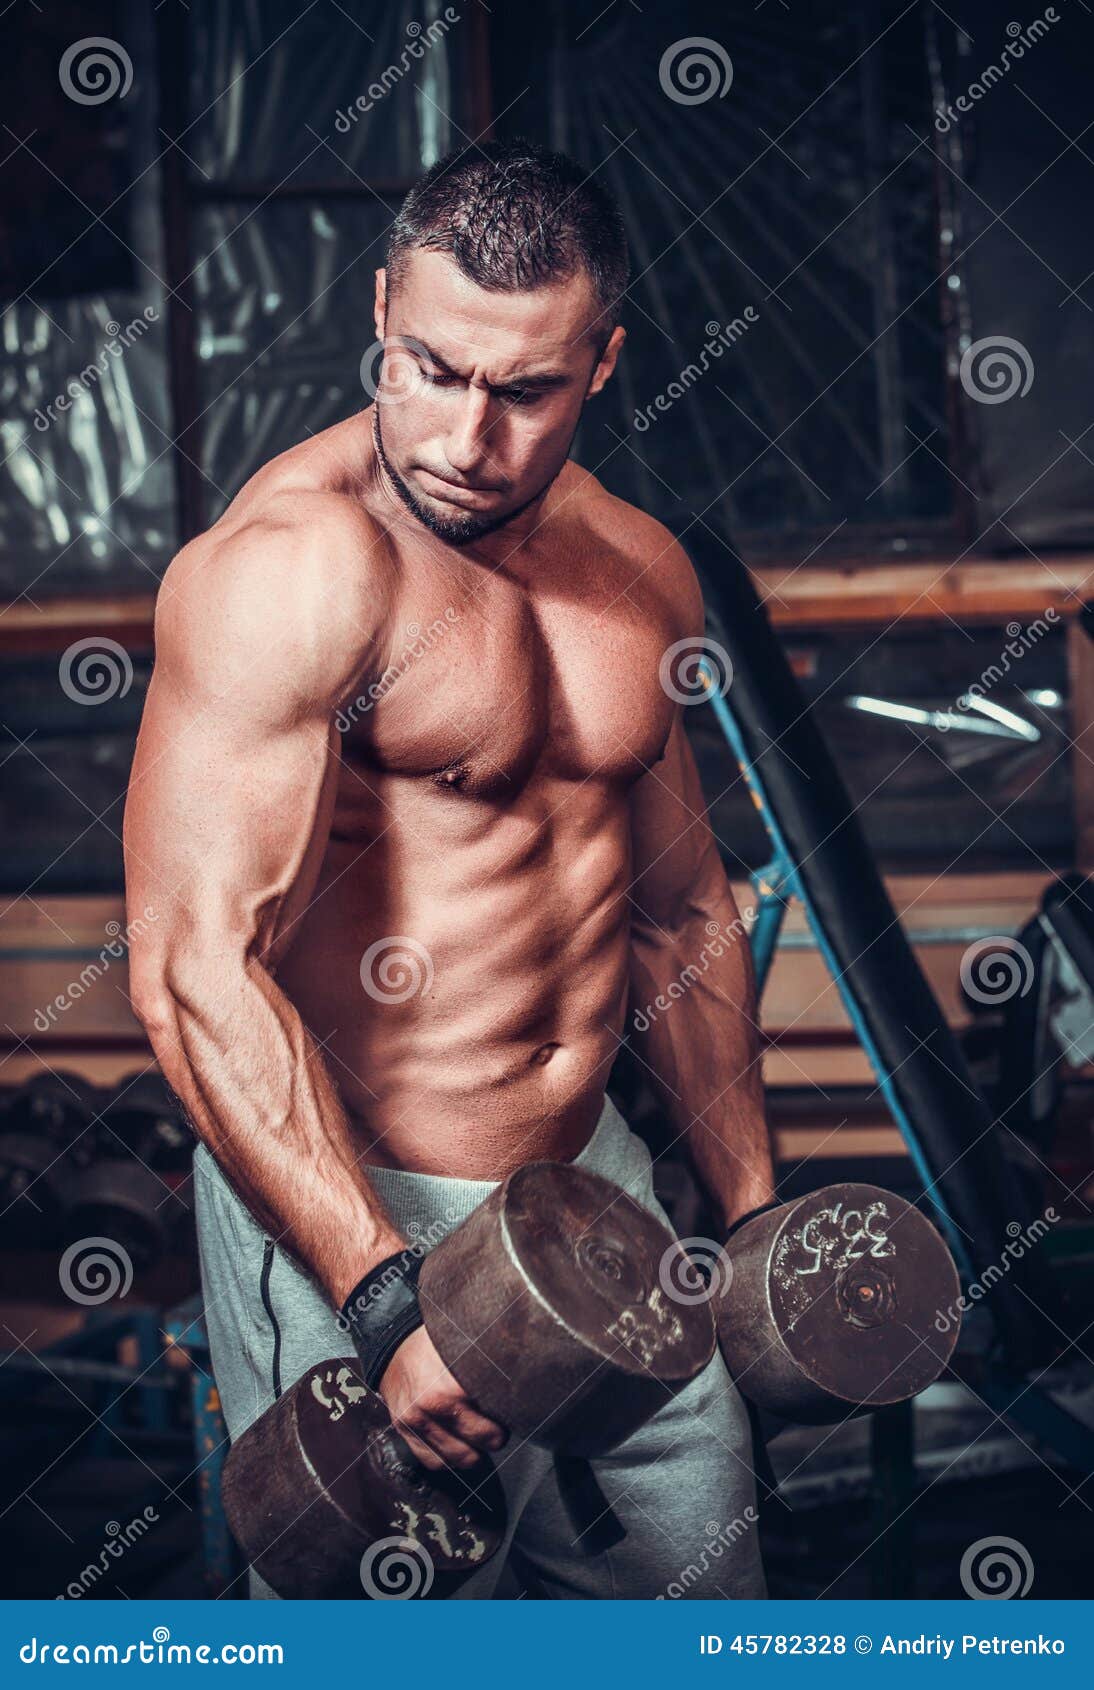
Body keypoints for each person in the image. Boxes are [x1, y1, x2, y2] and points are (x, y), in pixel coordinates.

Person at [124, 138, 772, 1600]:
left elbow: (676, 910)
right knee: (402, 1635)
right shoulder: (294, 572)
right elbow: (189, 968)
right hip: (355, 1204)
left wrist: (745, 1221)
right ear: (377, 315)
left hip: (593, 1195)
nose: (463, 439)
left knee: (702, 1595)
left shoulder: (642, 571)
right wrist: (380, 1299)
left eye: (523, 390)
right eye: (429, 367)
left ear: (602, 363)